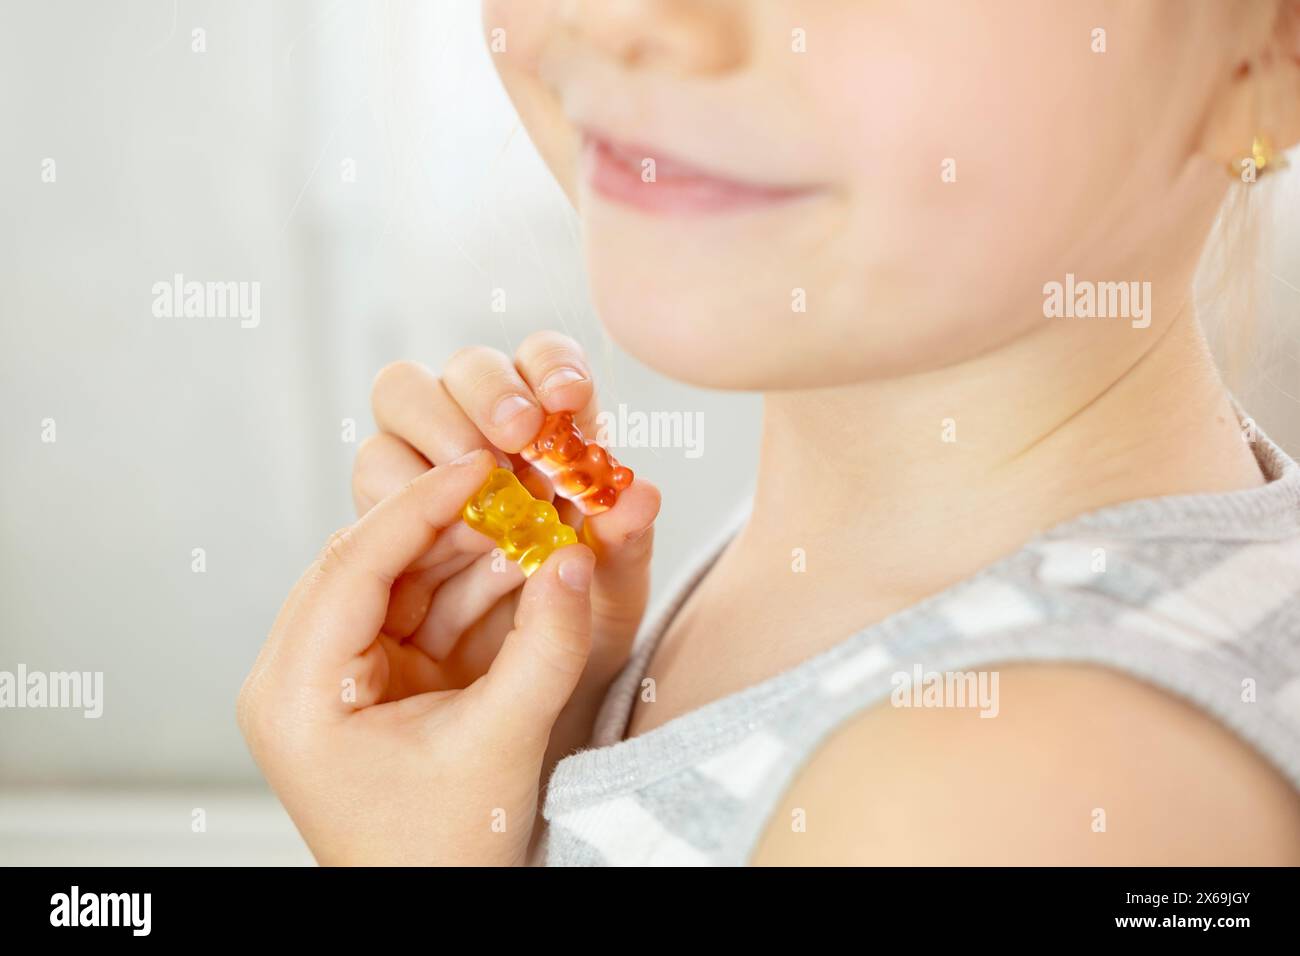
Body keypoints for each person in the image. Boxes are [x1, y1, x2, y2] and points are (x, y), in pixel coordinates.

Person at [238, 0, 1300, 865]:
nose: (621, 16)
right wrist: (564, 743)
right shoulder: (926, 596)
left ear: (1271, 51)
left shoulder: (997, 796)